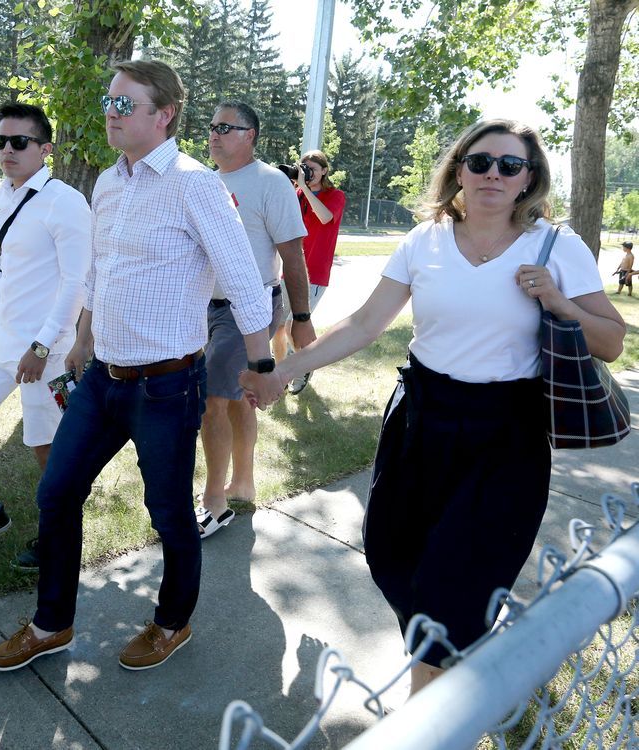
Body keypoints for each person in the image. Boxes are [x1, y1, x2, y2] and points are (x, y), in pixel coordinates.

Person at [239, 119, 625, 696]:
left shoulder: (557, 246)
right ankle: (448, 656)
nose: (493, 173)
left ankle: (430, 710)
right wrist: (284, 371)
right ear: (458, 170)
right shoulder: (425, 239)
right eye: (480, 162)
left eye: (509, 165)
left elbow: (612, 340)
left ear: (529, 179)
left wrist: (559, 300)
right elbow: (368, 322)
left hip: (507, 435)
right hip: (422, 417)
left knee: (453, 588)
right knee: (394, 556)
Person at [0, 60, 274, 672]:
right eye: (108, 102)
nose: (110, 113)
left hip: (168, 386)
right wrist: (83, 342)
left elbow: (244, 280)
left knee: (169, 512)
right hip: (101, 380)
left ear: (163, 114)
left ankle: (172, 623)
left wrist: (262, 363)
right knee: (57, 492)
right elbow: (98, 272)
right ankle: (50, 624)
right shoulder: (108, 184)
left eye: (124, 104)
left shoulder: (195, 184)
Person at [0, 103, 91, 558]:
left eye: (19, 142)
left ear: (45, 149)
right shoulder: (3, 195)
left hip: (47, 348)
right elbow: (1, 268)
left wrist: (43, 346)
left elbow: (77, 282)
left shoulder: (65, 201)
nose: (8, 150)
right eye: (1, 141)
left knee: (46, 450)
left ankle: (56, 536)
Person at [197, 101, 314, 537]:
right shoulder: (205, 183)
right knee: (237, 395)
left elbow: (292, 255)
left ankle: (215, 501)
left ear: (250, 135)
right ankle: (242, 482)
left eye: (225, 127)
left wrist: (301, 318)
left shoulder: (271, 183)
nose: (214, 134)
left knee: (211, 399)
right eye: (211, 127)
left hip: (248, 309)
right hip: (201, 308)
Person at [273, 150, 346, 394]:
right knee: (278, 325)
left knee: (296, 325)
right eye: (303, 168)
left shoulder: (335, 196)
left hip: (315, 274)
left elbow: (324, 217)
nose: (307, 172)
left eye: (312, 168)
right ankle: (281, 374)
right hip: (290, 271)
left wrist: (303, 187)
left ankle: (303, 368)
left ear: (325, 170)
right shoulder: (297, 194)